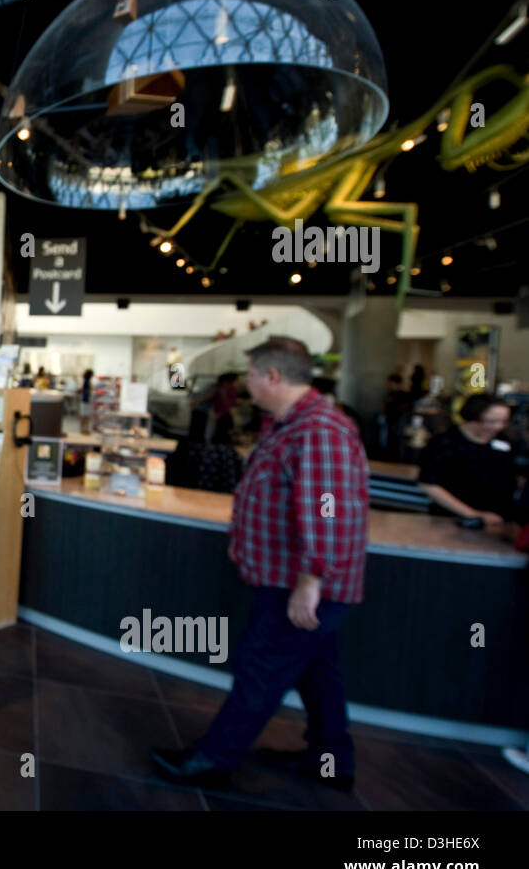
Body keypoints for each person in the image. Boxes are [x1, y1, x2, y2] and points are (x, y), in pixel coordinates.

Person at [151, 336, 369, 791]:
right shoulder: (288, 424)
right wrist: (242, 539)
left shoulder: (319, 431)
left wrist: (312, 581)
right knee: (317, 672)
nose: (246, 384)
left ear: (272, 376)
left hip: (301, 585)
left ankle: (214, 758)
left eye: (250, 375)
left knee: (261, 668)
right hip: (288, 579)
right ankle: (332, 762)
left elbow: (329, 511)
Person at [417, 394, 520, 527]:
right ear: (472, 418)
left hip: (498, 522)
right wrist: (472, 514)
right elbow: (428, 484)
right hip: (451, 520)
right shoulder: (444, 443)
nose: (498, 427)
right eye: (491, 421)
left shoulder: (506, 441)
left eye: (504, 421)